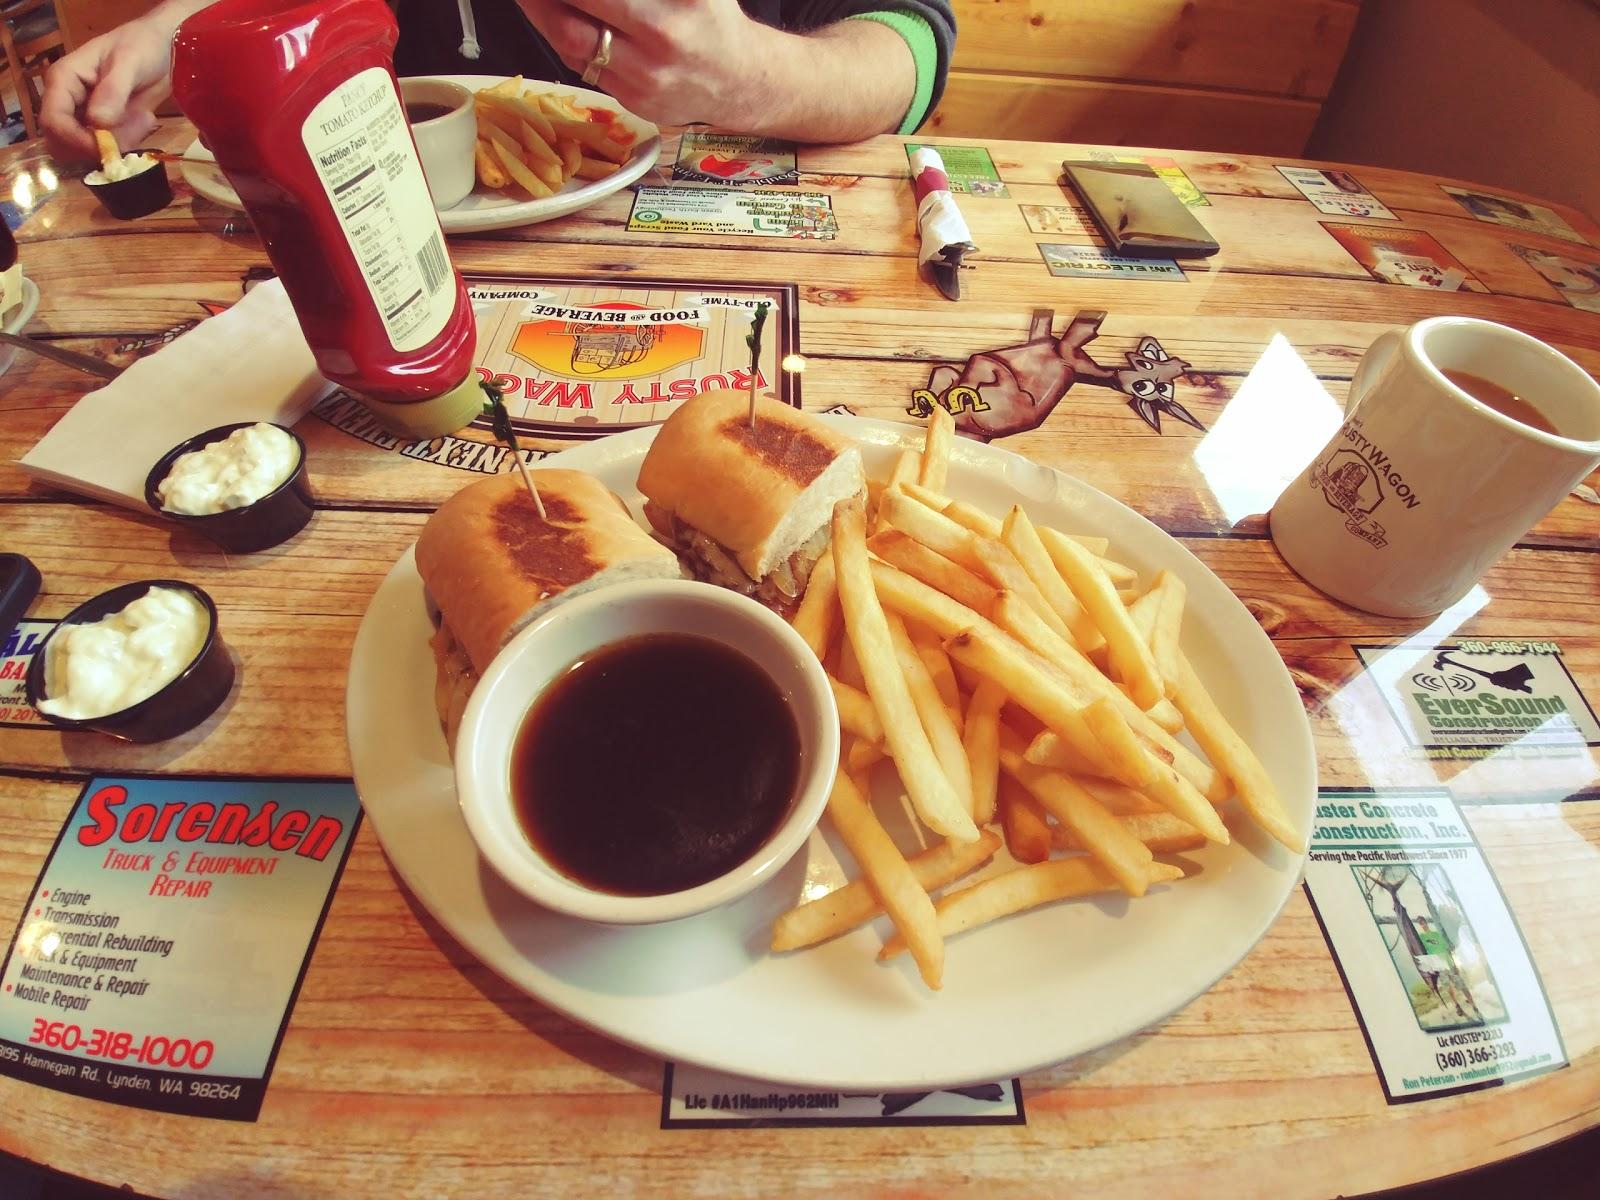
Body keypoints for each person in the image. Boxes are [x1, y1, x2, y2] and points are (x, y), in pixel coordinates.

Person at [43, 0, 955, 161]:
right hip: (401, 240)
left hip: (719, 230)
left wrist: (750, 79)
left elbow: (909, 45)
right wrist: (174, 32)